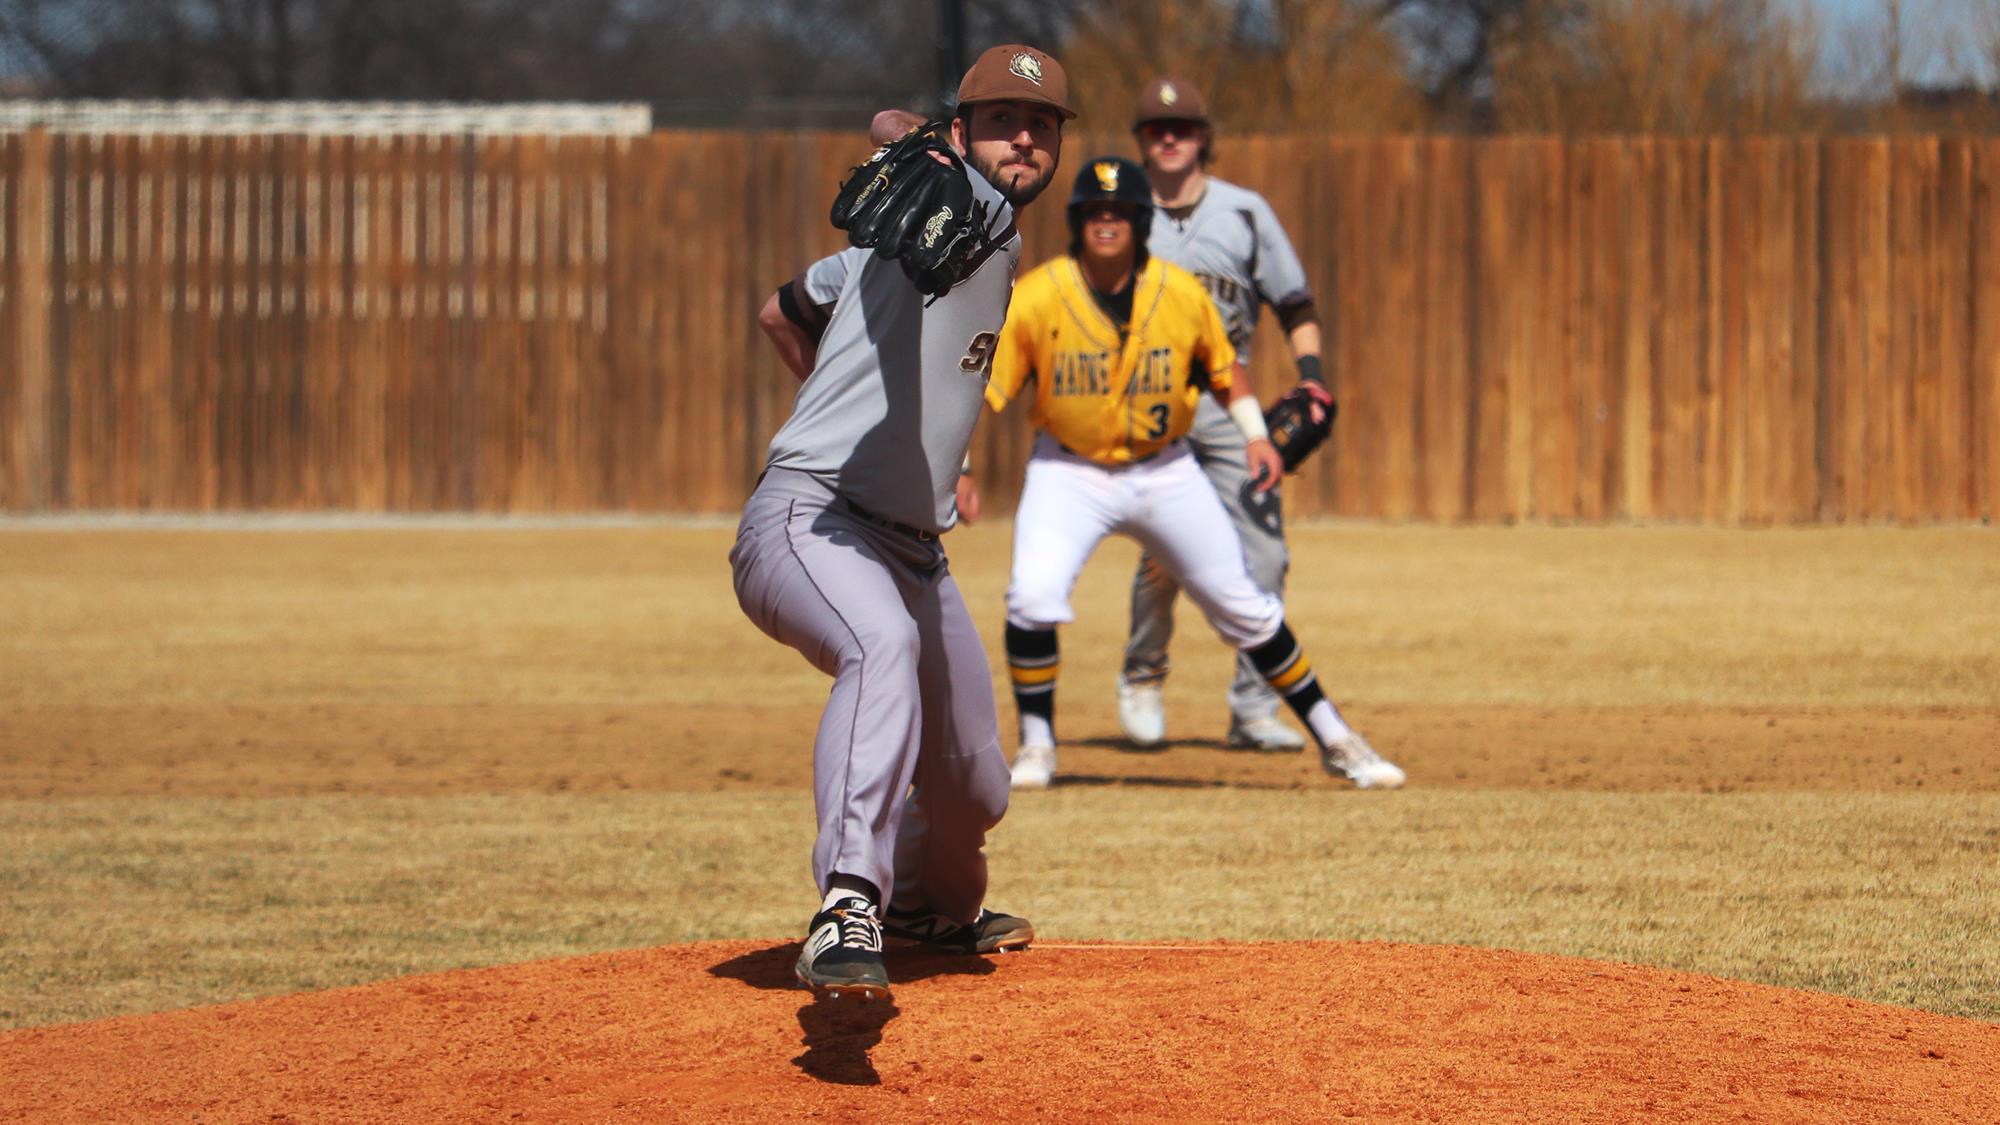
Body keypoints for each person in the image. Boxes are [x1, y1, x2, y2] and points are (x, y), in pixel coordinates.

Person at [734, 44, 1070, 1001]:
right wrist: (913, 138)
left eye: (1042, 124)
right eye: (1002, 119)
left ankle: (927, 905)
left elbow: (779, 312)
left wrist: (913, 436)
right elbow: (899, 145)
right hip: (811, 515)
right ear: (959, 134)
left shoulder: (895, 241)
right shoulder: (963, 213)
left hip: (914, 551)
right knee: (878, 651)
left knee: (974, 785)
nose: (1025, 137)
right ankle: (848, 902)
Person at [967, 155, 1405, 793]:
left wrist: (1257, 437)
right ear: (1077, 222)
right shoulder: (1039, 293)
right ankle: (1037, 747)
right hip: (1069, 469)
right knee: (1032, 596)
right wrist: (963, 466)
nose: (1108, 220)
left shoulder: (1179, 293)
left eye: (1121, 212)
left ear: (1143, 222)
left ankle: (1338, 739)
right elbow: (982, 388)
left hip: (1165, 469)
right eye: (1095, 211)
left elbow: (1226, 372)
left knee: (1245, 609)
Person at [1115, 76, 1342, 754]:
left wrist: (1313, 380)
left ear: (1203, 137)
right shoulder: (1119, 213)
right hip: (1149, 404)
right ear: (1142, 141)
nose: (1170, 136)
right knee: (1166, 556)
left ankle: (1252, 706)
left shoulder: (1244, 211)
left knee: (1264, 554)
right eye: (1157, 128)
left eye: (1181, 126)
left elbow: (1294, 303)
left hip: (1226, 407)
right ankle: (1143, 674)